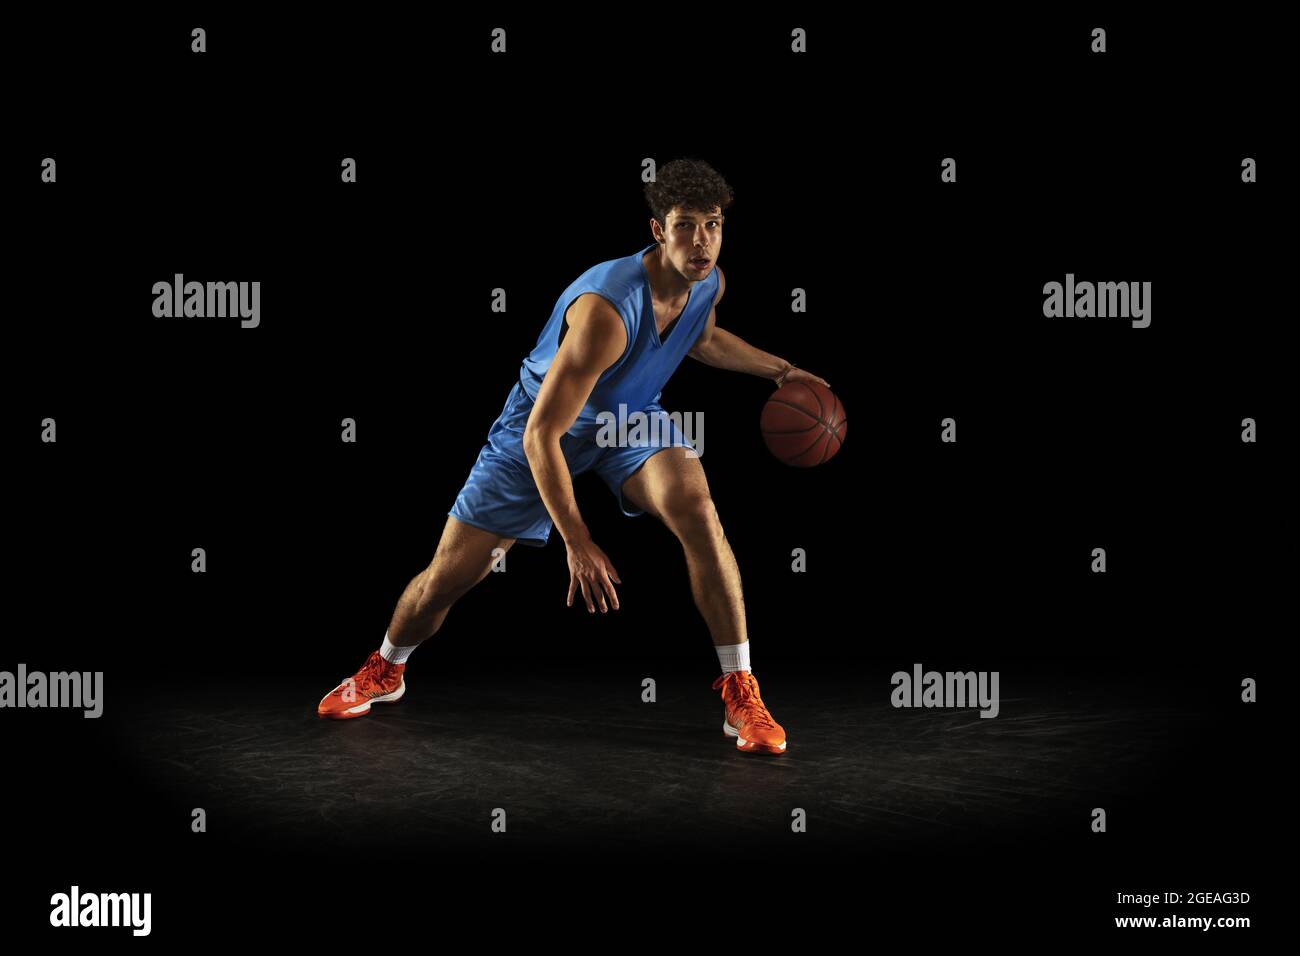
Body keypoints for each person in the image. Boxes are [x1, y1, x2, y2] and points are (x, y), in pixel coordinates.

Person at [317, 159, 829, 755]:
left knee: (698, 509)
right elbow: (542, 436)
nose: (701, 241)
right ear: (658, 230)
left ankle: (741, 690)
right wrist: (578, 542)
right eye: (685, 225)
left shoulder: (707, 282)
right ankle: (386, 666)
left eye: (712, 224)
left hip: (629, 418)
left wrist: (783, 371)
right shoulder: (606, 311)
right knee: (446, 581)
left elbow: (704, 338)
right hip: (539, 427)